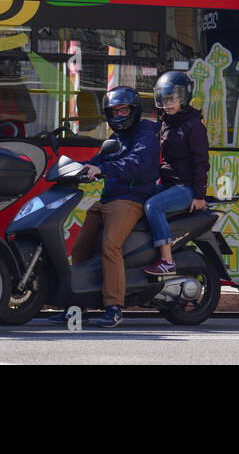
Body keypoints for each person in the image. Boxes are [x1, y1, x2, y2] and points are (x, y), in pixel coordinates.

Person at [69, 86, 161, 328]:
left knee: (110, 244)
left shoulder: (146, 135)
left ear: (134, 110)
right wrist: (76, 168)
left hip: (132, 198)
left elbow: (136, 162)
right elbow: (97, 161)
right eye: (114, 111)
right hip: (109, 198)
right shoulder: (115, 139)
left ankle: (114, 307)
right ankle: (75, 306)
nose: (119, 115)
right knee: (80, 248)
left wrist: (104, 170)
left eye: (123, 110)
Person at [143, 71, 209, 277]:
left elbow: (201, 162)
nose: (168, 103)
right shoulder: (165, 123)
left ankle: (167, 261)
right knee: (137, 194)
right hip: (169, 184)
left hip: (186, 188)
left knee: (152, 206)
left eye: (174, 98)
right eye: (165, 99)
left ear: (184, 98)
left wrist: (199, 195)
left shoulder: (194, 125)